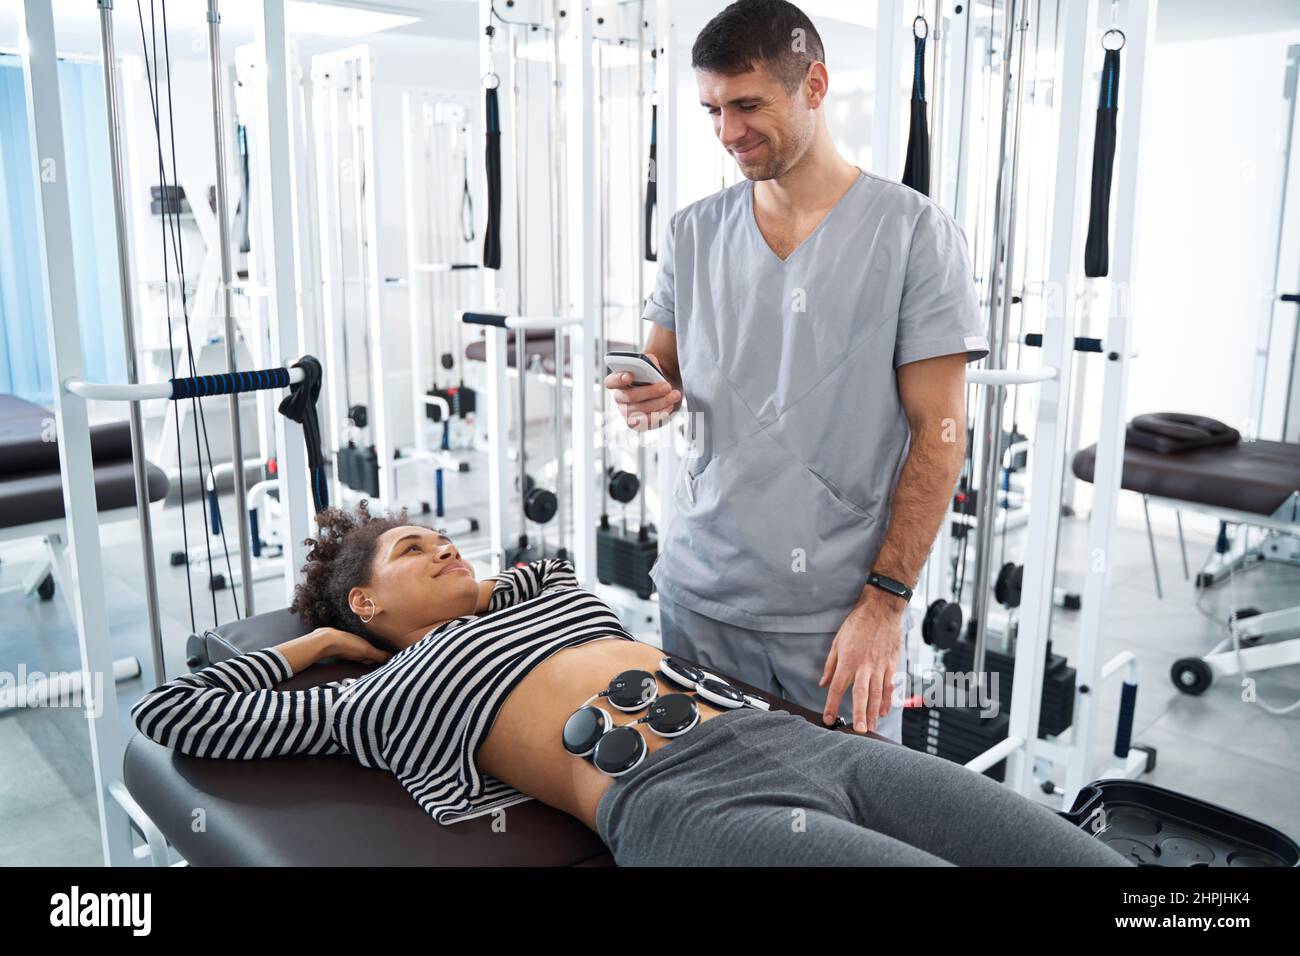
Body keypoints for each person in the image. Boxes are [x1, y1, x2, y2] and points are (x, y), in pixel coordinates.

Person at [132, 505, 1130, 867]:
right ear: (365, 604)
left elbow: (530, 565)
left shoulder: (541, 592)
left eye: (440, 533)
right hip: (682, 800)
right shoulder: (377, 698)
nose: (441, 543)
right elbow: (173, 712)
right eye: (409, 547)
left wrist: (476, 584)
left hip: (808, 745)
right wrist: (311, 647)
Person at [604, 0, 988, 742]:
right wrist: (641, 392)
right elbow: (661, 376)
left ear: (814, 85)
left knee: (850, 827)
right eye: (713, 109)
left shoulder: (914, 235)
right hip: (698, 589)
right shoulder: (692, 231)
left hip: (836, 612)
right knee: (705, 818)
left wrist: (886, 602)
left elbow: (939, 435)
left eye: (748, 104)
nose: (728, 133)